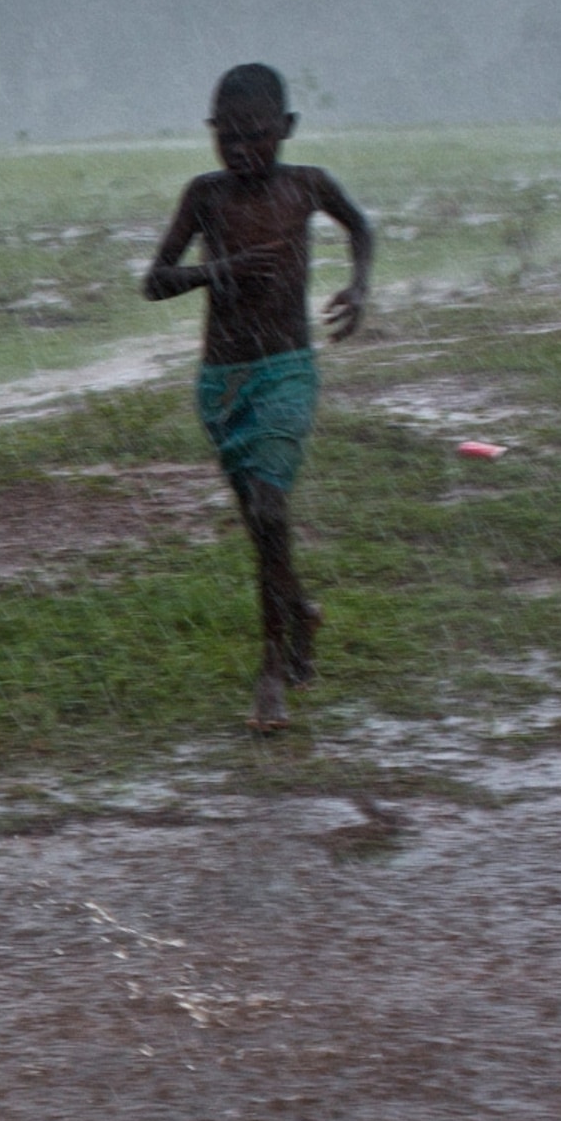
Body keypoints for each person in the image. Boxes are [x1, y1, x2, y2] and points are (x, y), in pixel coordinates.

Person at [143, 62, 375, 732]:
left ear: (287, 129)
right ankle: (298, 614)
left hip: (285, 374)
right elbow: (155, 282)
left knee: (270, 511)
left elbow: (360, 228)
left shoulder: (307, 186)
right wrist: (220, 272)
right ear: (211, 134)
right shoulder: (205, 196)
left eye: (258, 136)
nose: (243, 152)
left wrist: (358, 288)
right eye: (229, 138)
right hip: (221, 385)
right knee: (262, 530)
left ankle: (271, 669)